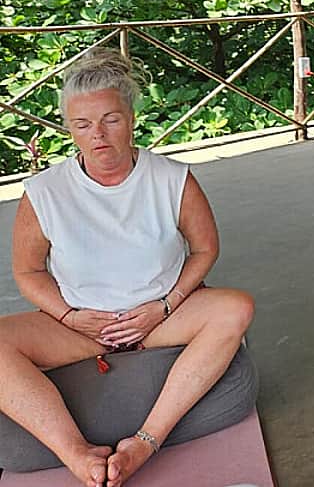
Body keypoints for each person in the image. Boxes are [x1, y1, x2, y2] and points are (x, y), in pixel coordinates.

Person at [0, 49, 255, 487]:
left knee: (235, 308)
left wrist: (165, 306)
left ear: (131, 118)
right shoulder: (44, 192)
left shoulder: (171, 178)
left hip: (159, 320)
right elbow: (29, 273)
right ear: (70, 130)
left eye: (110, 120)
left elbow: (204, 250)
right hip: (80, 326)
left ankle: (145, 441)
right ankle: (77, 453)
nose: (98, 135)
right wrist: (70, 316)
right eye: (83, 125)